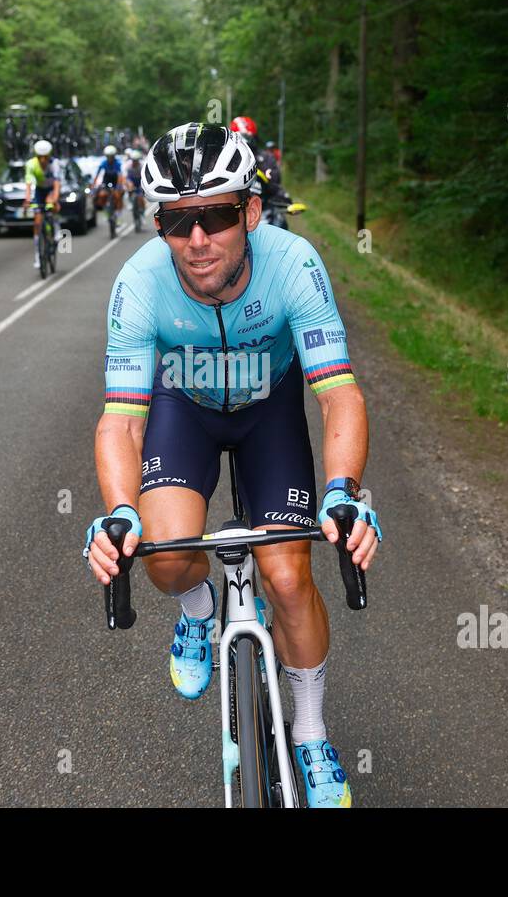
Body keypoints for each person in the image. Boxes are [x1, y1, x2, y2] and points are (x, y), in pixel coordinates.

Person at [83, 122, 383, 807]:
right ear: (159, 222)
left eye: (215, 216)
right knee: (162, 556)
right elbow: (121, 421)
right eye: (177, 221)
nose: (196, 241)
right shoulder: (139, 283)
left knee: (285, 575)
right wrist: (119, 513)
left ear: (250, 211)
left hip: (267, 411)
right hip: (182, 408)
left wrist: (343, 493)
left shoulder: (294, 263)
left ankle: (309, 733)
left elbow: (339, 395)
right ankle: (198, 608)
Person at [23, 139, 62, 269]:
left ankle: (56, 228)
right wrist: (27, 199)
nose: (43, 160)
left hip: (51, 190)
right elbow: (29, 184)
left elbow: (57, 184)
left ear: (49, 155)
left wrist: (55, 199)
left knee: (52, 203)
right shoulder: (31, 164)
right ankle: (37, 255)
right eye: (40, 157)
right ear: (36, 156)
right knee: (38, 221)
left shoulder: (54, 163)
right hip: (39, 191)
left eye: (46, 157)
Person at [93, 144, 125, 221]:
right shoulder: (103, 163)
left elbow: (120, 175)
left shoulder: (118, 163)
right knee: (101, 195)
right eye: (108, 156)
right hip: (106, 181)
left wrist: (119, 185)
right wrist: (94, 184)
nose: (110, 158)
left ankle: (118, 213)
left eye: (112, 156)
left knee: (118, 195)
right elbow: (97, 174)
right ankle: (106, 211)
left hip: (115, 181)